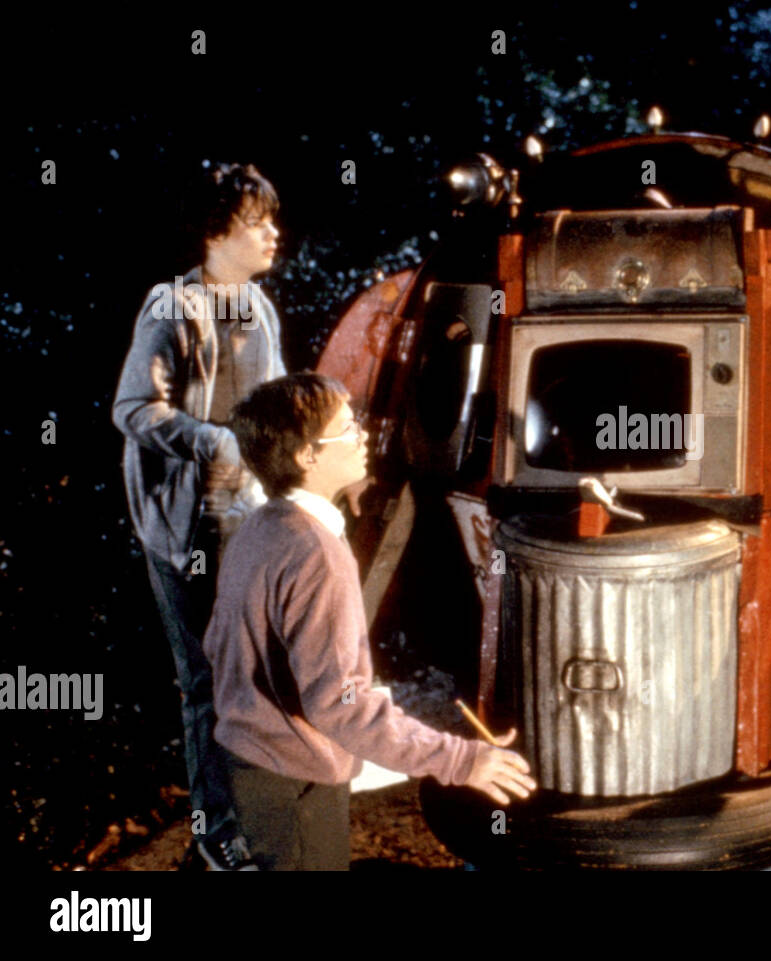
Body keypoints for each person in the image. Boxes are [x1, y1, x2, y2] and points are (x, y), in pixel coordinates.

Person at [204, 372, 535, 870]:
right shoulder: (318, 552)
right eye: (347, 429)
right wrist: (462, 761)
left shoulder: (259, 529)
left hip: (250, 764)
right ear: (307, 456)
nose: (363, 435)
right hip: (298, 784)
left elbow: (220, 649)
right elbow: (339, 708)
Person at [112, 163, 285, 870]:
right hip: (181, 525)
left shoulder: (261, 309)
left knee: (256, 665)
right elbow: (133, 408)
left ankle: (259, 804)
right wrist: (212, 439)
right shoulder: (170, 307)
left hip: (248, 515)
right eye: (258, 221)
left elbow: (273, 410)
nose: (274, 232)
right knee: (207, 678)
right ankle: (216, 829)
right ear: (217, 233)